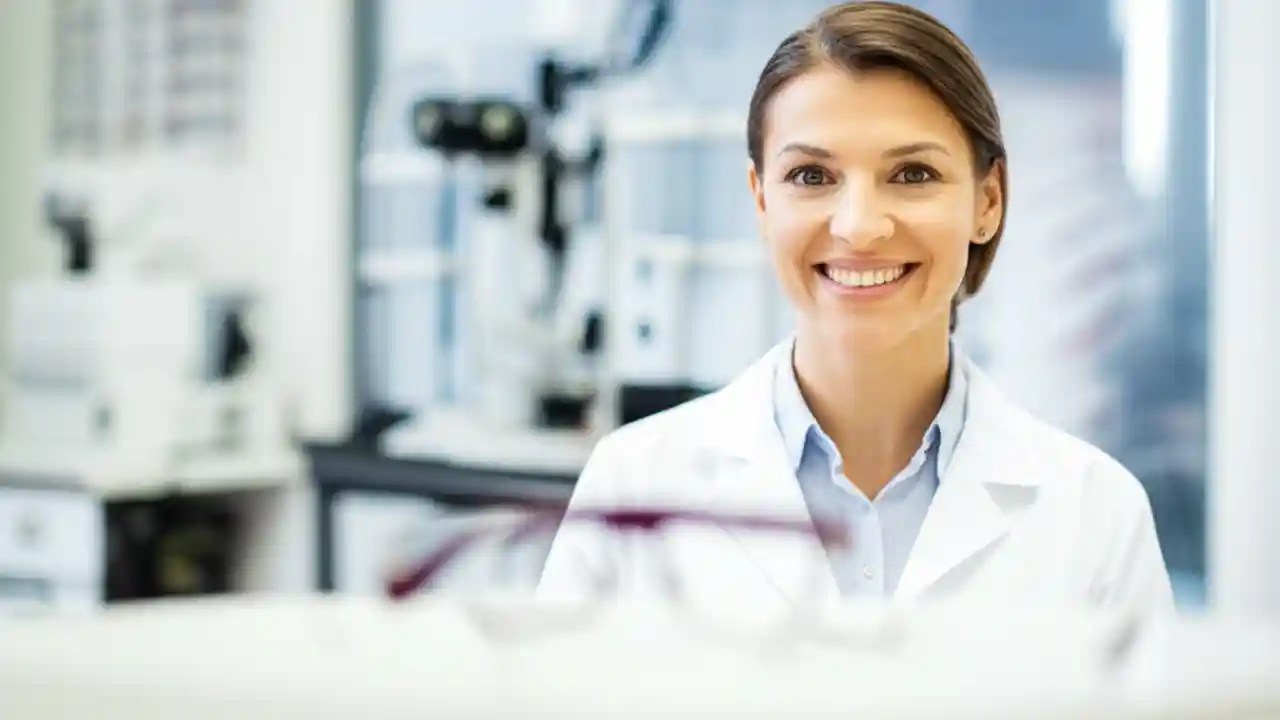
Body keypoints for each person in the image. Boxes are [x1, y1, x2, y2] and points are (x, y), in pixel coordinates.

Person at [539, 0, 1174, 614]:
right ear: (762, 202)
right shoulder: (633, 485)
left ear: (988, 202)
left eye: (913, 174)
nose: (860, 226)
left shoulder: (1096, 514)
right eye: (812, 177)